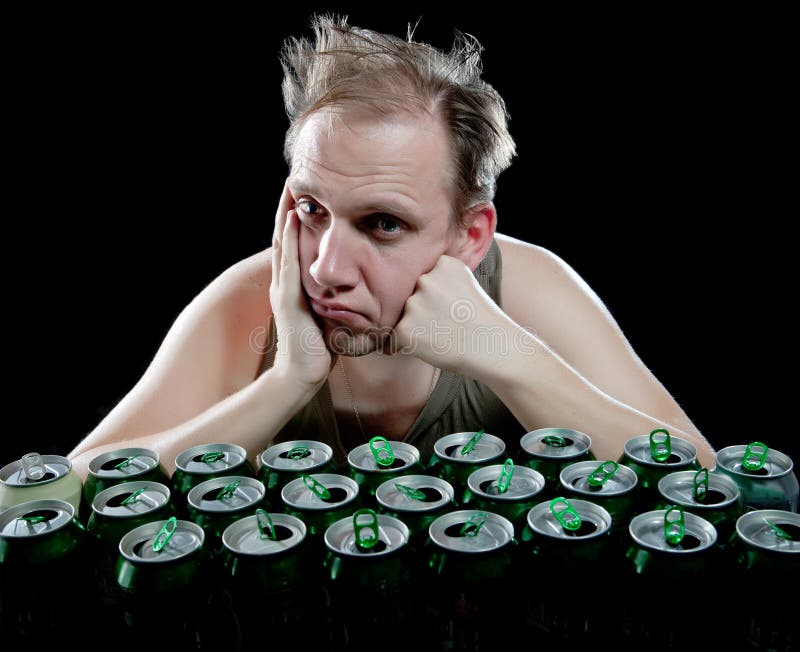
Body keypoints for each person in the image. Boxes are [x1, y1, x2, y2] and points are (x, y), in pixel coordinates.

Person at [68, 14, 715, 482]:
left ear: (470, 236)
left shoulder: (531, 289)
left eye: (382, 224)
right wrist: (288, 380)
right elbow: (48, 505)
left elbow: (712, 488)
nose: (324, 269)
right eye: (311, 210)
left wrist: (509, 356)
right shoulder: (249, 301)